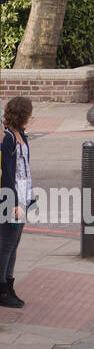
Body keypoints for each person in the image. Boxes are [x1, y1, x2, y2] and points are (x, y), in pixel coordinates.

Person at [0, 97, 34, 308]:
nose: (31, 117)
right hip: (10, 198)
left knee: (14, 244)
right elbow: (7, 173)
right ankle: (2, 290)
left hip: (22, 196)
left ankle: (9, 285)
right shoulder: (8, 138)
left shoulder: (22, 136)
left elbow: (25, 169)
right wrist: (11, 201)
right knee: (6, 244)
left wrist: (28, 198)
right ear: (22, 114)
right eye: (30, 113)